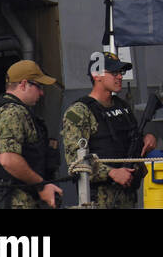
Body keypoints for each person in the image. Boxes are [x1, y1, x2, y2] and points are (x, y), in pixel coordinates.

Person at [62, 52, 157, 209]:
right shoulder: (80, 112)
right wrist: (111, 173)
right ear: (96, 75)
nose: (119, 77)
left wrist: (148, 139)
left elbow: (131, 140)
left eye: (121, 72)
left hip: (128, 198)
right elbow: (75, 161)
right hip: (99, 201)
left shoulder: (122, 107)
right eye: (114, 73)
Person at [0, 60, 62, 210]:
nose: (42, 93)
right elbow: (8, 159)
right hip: (13, 201)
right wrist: (41, 186)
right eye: (39, 86)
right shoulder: (13, 112)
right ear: (23, 84)